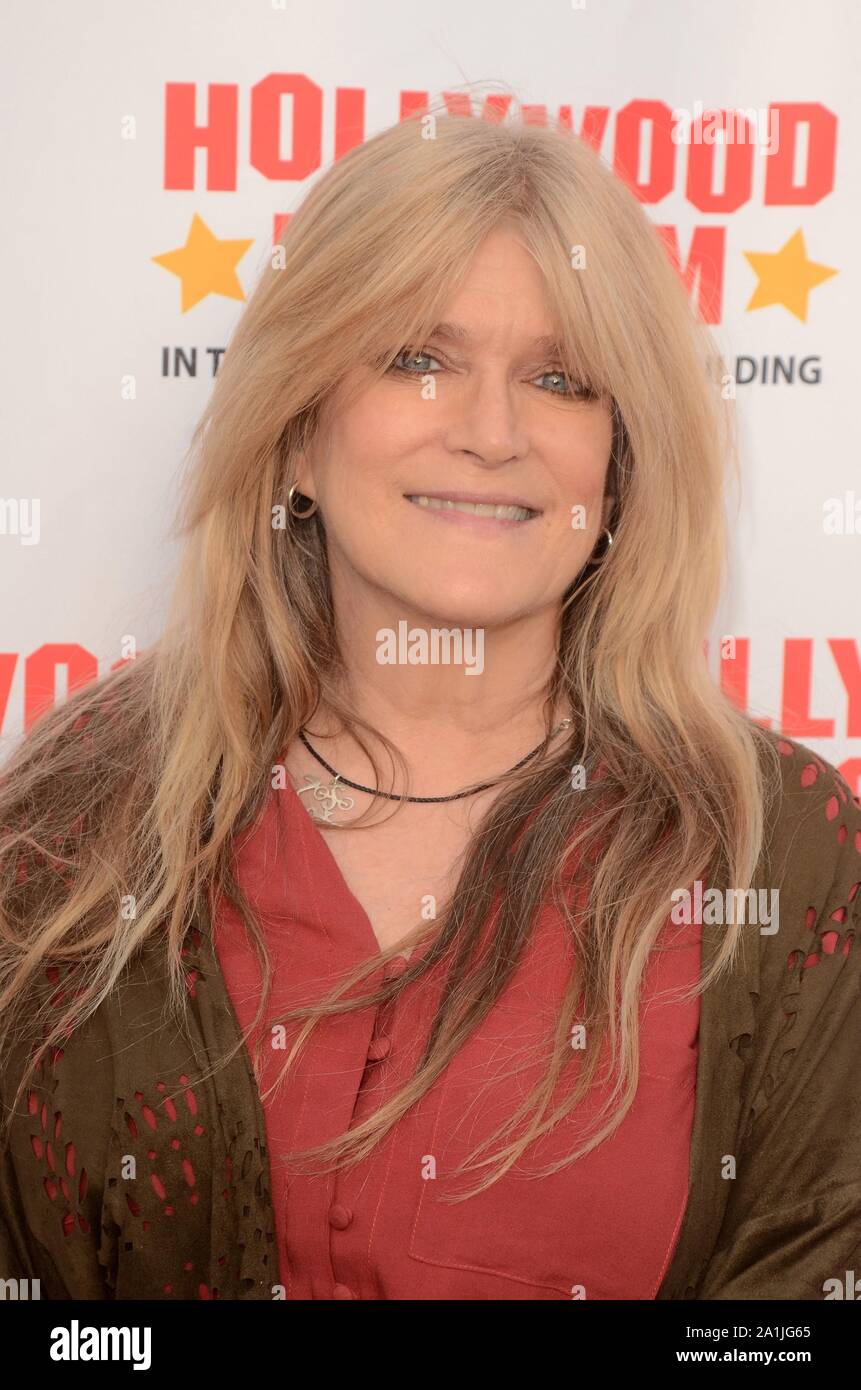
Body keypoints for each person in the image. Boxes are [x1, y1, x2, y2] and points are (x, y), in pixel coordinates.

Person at [0, 110, 858, 1302]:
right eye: (417, 357)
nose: (492, 433)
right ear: (298, 432)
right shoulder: (76, 814)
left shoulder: (788, 853)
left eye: (560, 380)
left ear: (620, 466)